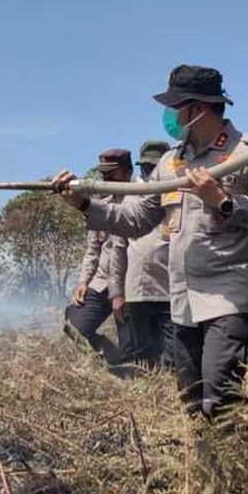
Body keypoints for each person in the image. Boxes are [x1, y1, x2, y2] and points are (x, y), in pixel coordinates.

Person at [53, 65, 248, 418]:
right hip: (182, 302)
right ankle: (207, 466)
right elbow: (134, 220)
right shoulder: (171, 162)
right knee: (192, 403)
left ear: (197, 109)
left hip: (231, 299)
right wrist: (84, 204)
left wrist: (225, 202)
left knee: (220, 398)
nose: (170, 116)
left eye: (175, 106)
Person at [108, 140, 175, 368]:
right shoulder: (129, 198)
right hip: (137, 291)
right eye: (146, 167)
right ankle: (148, 400)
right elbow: (118, 250)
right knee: (144, 359)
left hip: (171, 291)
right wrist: (117, 293)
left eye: (154, 167)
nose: (150, 172)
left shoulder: (177, 195)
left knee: (174, 358)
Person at [63, 149, 133, 362]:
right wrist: (84, 281)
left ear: (127, 172)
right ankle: (109, 357)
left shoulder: (142, 202)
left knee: (133, 351)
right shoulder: (100, 205)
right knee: (74, 325)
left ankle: (128, 372)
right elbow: (93, 249)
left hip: (131, 286)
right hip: (102, 282)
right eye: (103, 173)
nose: (106, 178)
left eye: (112, 172)